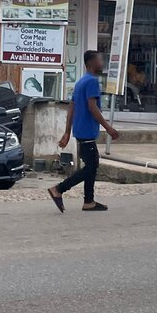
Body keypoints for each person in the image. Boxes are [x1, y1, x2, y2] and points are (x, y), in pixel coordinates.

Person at [49, 50, 118, 213]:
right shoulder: (92, 82)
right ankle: (59, 189)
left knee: (91, 165)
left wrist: (67, 132)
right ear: (91, 63)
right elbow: (92, 108)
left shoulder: (80, 82)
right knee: (92, 166)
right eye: (100, 60)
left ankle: (89, 201)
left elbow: (71, 108)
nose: (102, 63)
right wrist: (108, 128)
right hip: (87, 131)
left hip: (80, 130)